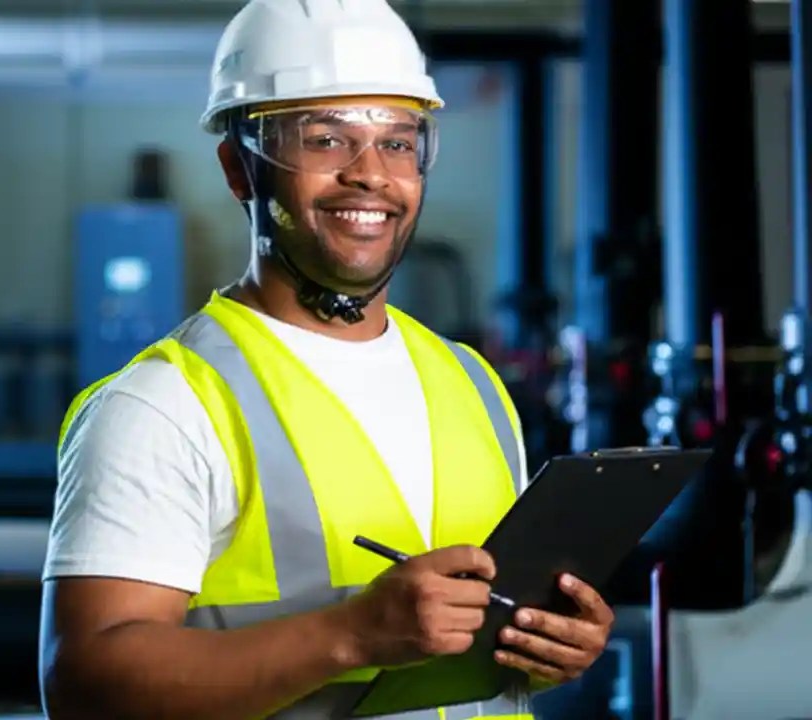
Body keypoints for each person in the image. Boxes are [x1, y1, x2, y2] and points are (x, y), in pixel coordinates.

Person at [37, 0, 615, 717]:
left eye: (398, 142)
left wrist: (546, 643)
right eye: (325, 140)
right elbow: (85, 687)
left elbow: (478, 646)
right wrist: (352, 635)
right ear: (240, 170)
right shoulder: (163, 404)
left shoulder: (471, 380)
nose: (370, 174)